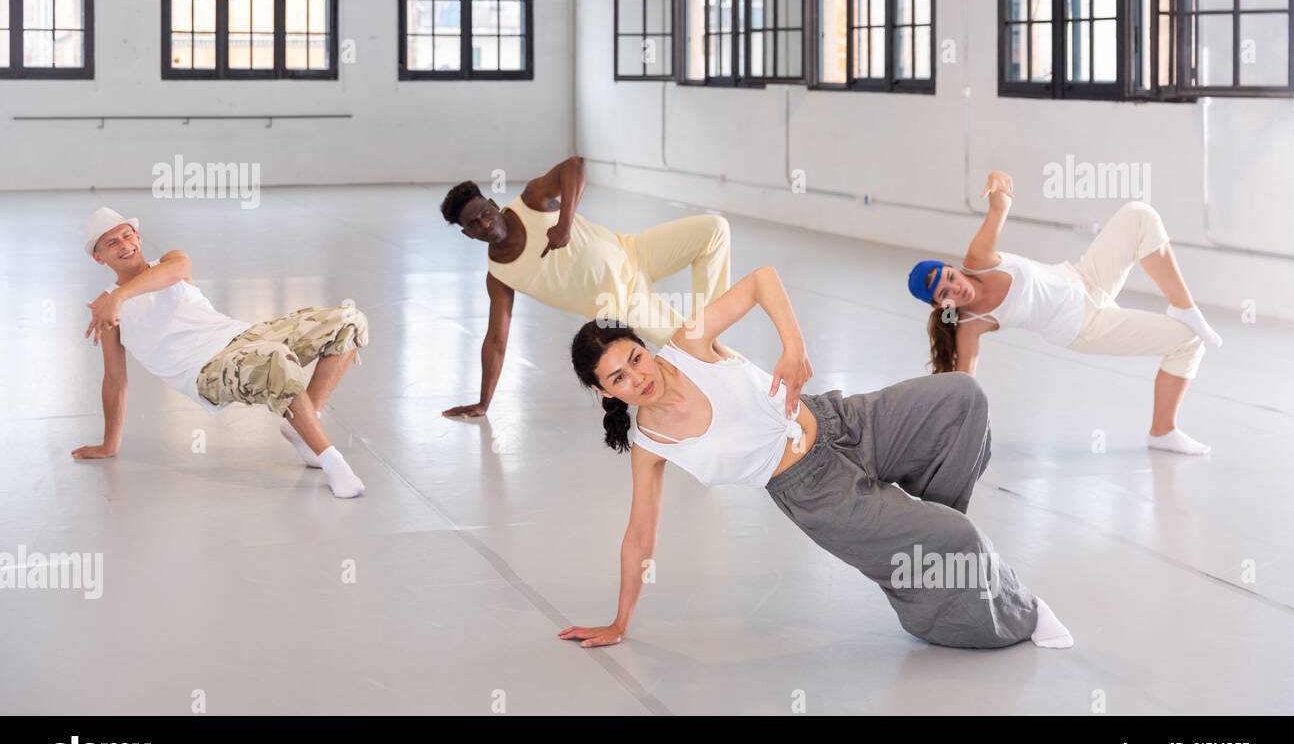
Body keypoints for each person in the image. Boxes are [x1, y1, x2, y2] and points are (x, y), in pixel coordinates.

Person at [562, 266, 1073, 650]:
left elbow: (763, 280)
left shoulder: (688, 344)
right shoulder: (651, 447)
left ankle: (925, 538)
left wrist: (792, 347)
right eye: (618, 378)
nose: (638, 377)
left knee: (963, 397)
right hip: (816, 494)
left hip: (840, 420)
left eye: (634, 357)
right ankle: (1015, 611)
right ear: (602, 391)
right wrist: (619, 622)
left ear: (643, 346)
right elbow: (639, 537)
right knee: (958, 540)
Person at [908, 171, 1222, 455]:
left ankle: (1184, 306)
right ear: (940, 306)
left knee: (1138, 215)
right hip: (1083, 325)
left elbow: (999, 206)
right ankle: (1163, 431)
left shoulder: (978, 258)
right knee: (1189, 341)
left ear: (952, 268)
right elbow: (966, 387)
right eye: (944, 293)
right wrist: (950, 435)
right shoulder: (969, 326)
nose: (956, 287)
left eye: (950, 277)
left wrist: (997, 179)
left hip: (1084, 277)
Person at [73, 207, 370, 498]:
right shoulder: (108, 314)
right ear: (99, 257)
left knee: (349, 321)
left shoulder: (170, 261)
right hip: (207, 369)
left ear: (138, 236)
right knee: (276, 361)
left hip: (243, 335)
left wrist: (119, 295)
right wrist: (109, 445)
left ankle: (303, 428)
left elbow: (176, 271)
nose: (125, 245)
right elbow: (114, 379)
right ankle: (333, 462)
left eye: (128, 236)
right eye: (112, 243)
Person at [439, 156, 732, 418]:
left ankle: (709, 325)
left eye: (485, 214)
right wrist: (483, 403)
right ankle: (746, 384)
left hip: (634, 250)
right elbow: (496, 341)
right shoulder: (500, 276)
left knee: (714, 230)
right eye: (475, 224)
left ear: (493, 205)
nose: (485, 224)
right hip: (621, 303)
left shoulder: (532, 200)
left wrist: (564, 224)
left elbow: (575, 166)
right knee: (694, 350)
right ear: (468, 234)